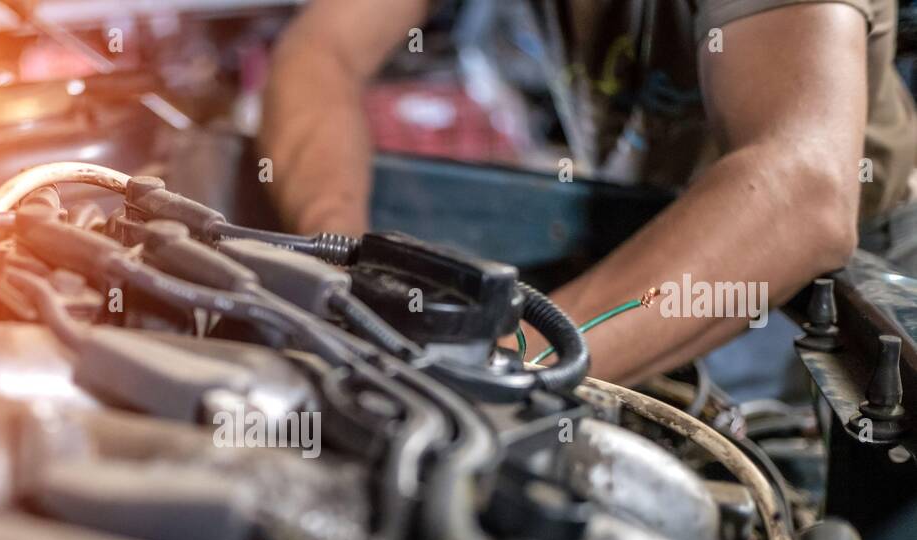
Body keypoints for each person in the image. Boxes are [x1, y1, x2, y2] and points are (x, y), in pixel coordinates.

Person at [261, 0, 917, 383]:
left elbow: (802, 190)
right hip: (664, 232)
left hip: (856, 300)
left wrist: (497, 362)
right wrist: (338, 258)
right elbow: (322, 53)